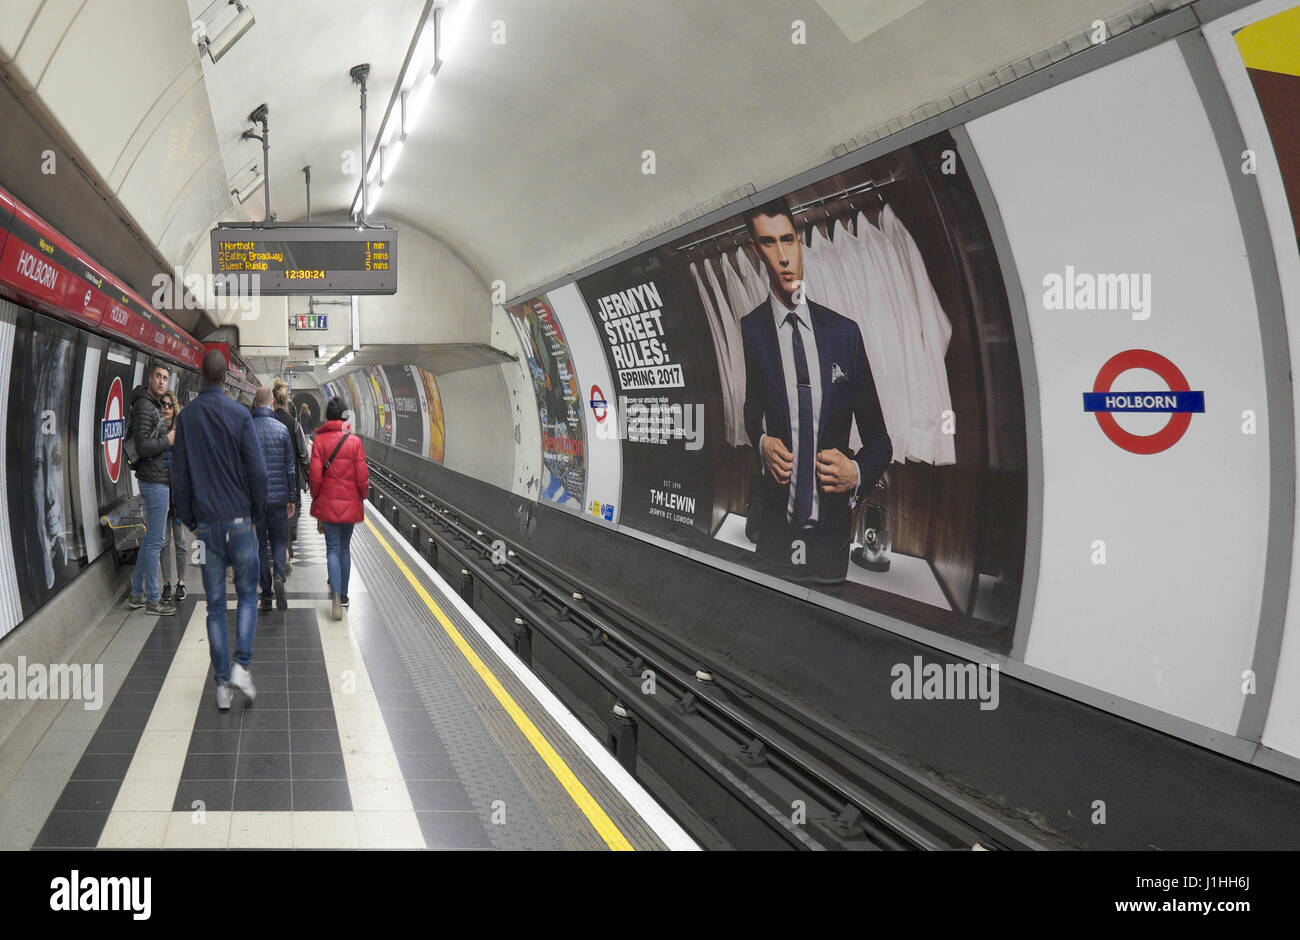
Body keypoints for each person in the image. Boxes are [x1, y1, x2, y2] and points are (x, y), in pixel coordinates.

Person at [740, 199, 892, 585]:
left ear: (801, 243)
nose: (783, 256)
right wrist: (761, 443)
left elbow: (880, 441)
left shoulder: (844, 334)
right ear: (756, 251)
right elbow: (749, 409)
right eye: (769, 243)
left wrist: (856, 472)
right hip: (773, 535)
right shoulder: (753, 330)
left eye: (788, 240)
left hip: (830, 541)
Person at [172, 351, 268, 711]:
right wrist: (256, 513)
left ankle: (222, 686)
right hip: (241, 522)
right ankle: (242, 665)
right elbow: (257, 472)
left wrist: (190, 519)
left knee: (214, 606)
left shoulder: (188, 418)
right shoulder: (240, 415)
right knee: (246, 595)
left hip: (207, 526)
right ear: (226, 377)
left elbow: (179, 474)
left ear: (200, 376)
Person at [309, 397, 369, 621]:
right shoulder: (354, 442)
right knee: (345, 548)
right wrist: (363, 496)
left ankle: (334, 595)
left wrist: (316, 497)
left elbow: (315, 477)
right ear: (344, 415)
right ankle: (344, 596)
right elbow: (363, 477)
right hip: (351, 503)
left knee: (332, 549)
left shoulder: (319, 441)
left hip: (328, 503)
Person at [127, 362, 177, 615]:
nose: (161, 381)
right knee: (157, 539)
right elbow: (143, 445)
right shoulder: (145, 406)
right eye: (158, 376)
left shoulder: (151, 405)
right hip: (153, 480)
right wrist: (167, 440)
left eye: (165, 378)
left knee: (150, 538)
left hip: (156, 478)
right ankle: (153, 600)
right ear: (150, 379)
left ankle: (136, 593)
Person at [251, 386, 296, 611]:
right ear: (271, 404)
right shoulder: (282, 430)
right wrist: (292, 497)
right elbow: (290, 468)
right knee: (279, 541)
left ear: (256, 404)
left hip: (257, 501)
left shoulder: (247, 430)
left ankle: (266, 594)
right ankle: (279, 576)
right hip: (279, 500)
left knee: (260, 546)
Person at [157, 390, 190, 604]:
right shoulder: (156, 430)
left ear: (175, 407)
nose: (166, 408)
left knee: (180, 540)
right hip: (161, 489)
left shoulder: (181, 431)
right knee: (163, 541)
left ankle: (182, 582)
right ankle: (167, 583)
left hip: (176, 492)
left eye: (169, 404)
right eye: (163, 404)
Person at [272, 380, 308, 567]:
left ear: (273, 400)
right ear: (286, 402)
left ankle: (282, 546)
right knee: (293, 513)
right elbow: (303, 454)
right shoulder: (293, 424)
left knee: (276, 516)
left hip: (272, 480)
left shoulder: (268, 421)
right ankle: (286, 546)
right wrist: (310, 479)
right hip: (291, 478)